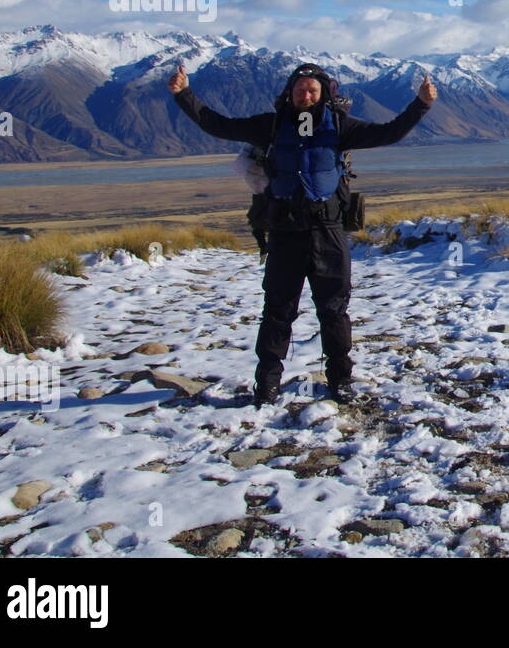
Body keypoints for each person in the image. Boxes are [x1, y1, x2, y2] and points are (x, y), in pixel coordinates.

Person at [168, 61, 437, 407]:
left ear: (324, 93)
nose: (305, 95)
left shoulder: (340, 125)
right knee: (278, 310)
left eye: (312, 90)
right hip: (285, 231)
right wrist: (183, 94)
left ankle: (340, 381)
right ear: (289, 94)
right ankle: (266, 384)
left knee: (334, 310)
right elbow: (217, 125)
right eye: (299, 90)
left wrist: (421, 104)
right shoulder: (272, 124)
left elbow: (390, 132)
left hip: (328, 231)